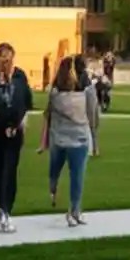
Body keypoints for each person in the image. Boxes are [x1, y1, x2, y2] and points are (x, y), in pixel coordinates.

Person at [0, 42, 34, 233]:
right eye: (2, 58)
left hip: (14, 132)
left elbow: (25, 102)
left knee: (10, 171)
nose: (6, 62)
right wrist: (3, 118)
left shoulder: (19, 77)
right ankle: (1, 209)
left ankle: (7, 211)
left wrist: (17, 124)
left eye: (9, 58)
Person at [39, 56, 100, 226]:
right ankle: (75, 210)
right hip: (78, 138)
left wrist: (44, 140)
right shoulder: (86, 91)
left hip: (59, 138)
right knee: (77, 176)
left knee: (57, 170)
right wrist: (95, 139)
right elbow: (93, 115)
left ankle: (59, 194)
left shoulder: (54, 93)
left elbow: (48, 114)